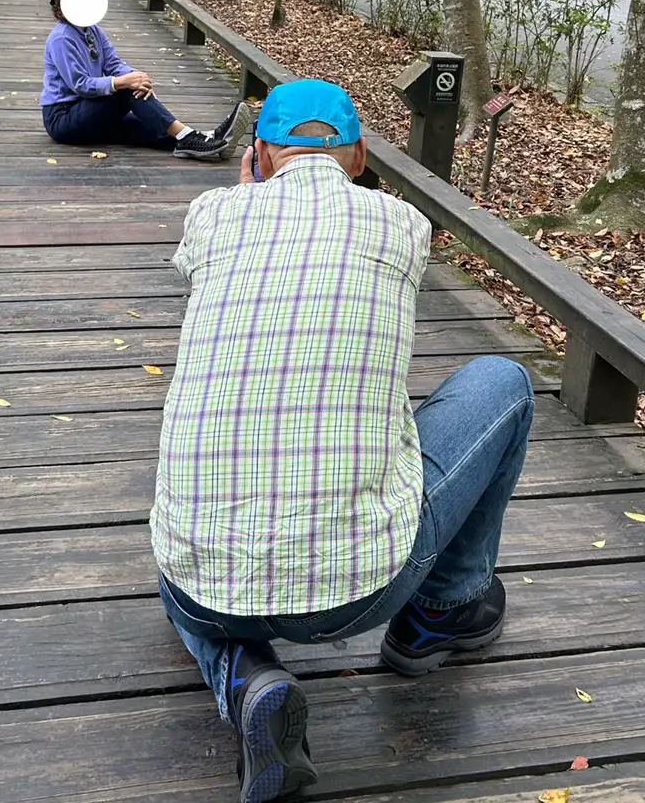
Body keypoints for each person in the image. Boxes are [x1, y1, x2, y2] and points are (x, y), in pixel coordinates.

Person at [151, 78, 534, 803]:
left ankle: (245, 678)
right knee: (501, 381)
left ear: (260, 154)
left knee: (181, 577)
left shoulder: (211, 215)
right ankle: (439, 615)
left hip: (203, 580)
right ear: (358, 156)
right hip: (360, 592)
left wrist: (245, 192)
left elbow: (196, 267)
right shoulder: (402, 224)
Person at [40, 0, 238, 159]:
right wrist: (121, 83)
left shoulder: (93, 31)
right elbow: (80, 84)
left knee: (142, 125)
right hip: (62, 118)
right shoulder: (62, 38)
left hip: (87, 111)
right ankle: (189, 137)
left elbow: (113, 63)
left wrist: (136, 76)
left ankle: (208, 141)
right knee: (126, 91)